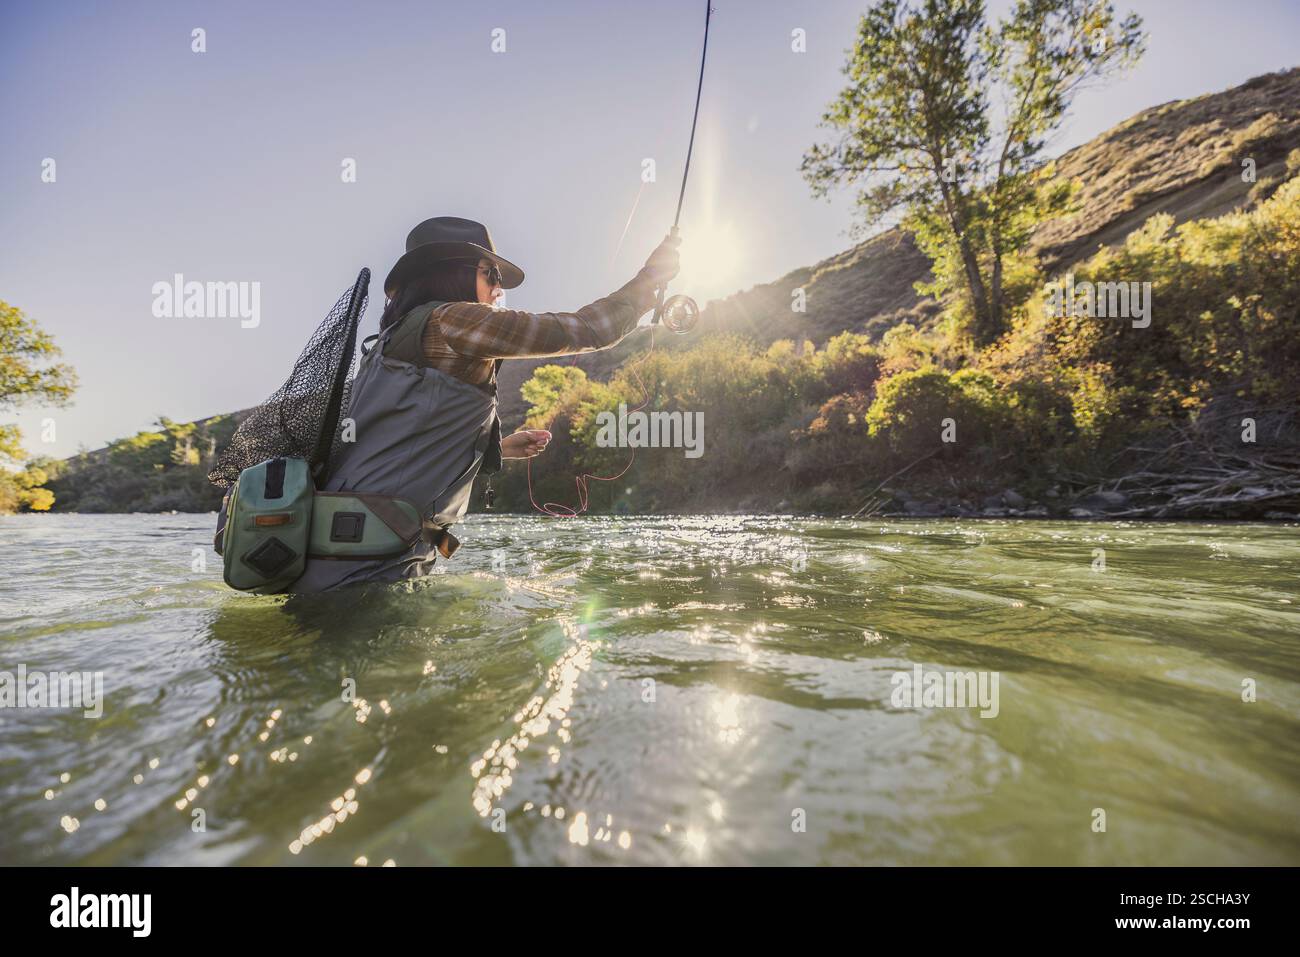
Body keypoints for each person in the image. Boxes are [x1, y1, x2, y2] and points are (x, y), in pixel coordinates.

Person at [287, 216, 680, 592]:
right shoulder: (455, 320)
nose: (498, 289)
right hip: (367, 567)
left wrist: (500, 449)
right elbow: (589, 328)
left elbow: (398, 446)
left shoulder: (386, 344)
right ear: (450, 273)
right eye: (489, 274)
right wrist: (651, 278)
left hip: (338, 553)